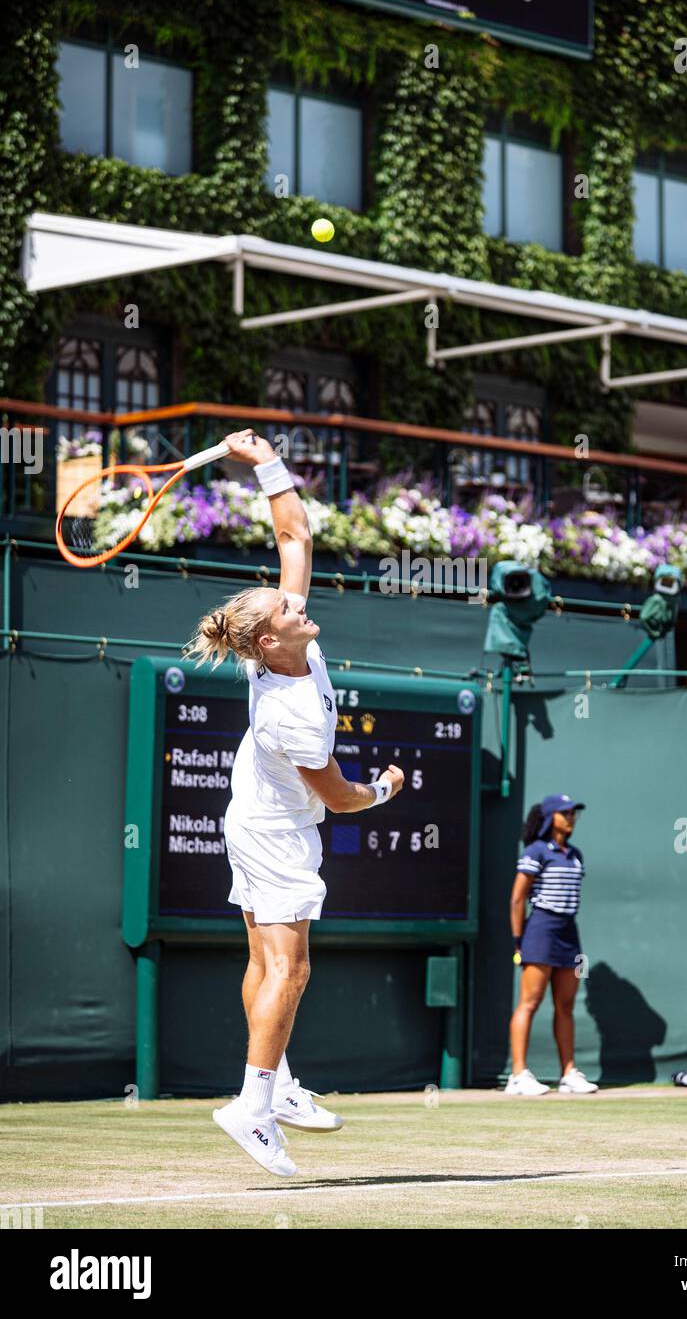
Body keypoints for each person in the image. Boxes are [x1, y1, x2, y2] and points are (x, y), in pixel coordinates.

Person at [187, 429, 404, 1176]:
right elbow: (340, 799)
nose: (297, 603)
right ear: (267, 642)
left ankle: (275, 1085)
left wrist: (266, 461)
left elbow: (294, 534)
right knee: (291, 967)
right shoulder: (296, 712)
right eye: (285, 608)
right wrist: (384, 789)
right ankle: (253, 1105)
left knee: (263, 958)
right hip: (278, 833)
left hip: (250, 816)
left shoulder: (287, 647)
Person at [505, 794, 599, 1097]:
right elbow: (518, 899)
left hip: (569, 932)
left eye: (573, 813)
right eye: (565, 813)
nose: (571, 818)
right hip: (541, 929)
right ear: (549, 818)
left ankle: (568, 1074)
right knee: (530, 1002)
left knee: (566, 1005)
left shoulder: (575, 854)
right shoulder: (535, 851)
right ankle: (517, 1075)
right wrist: (518, 941)